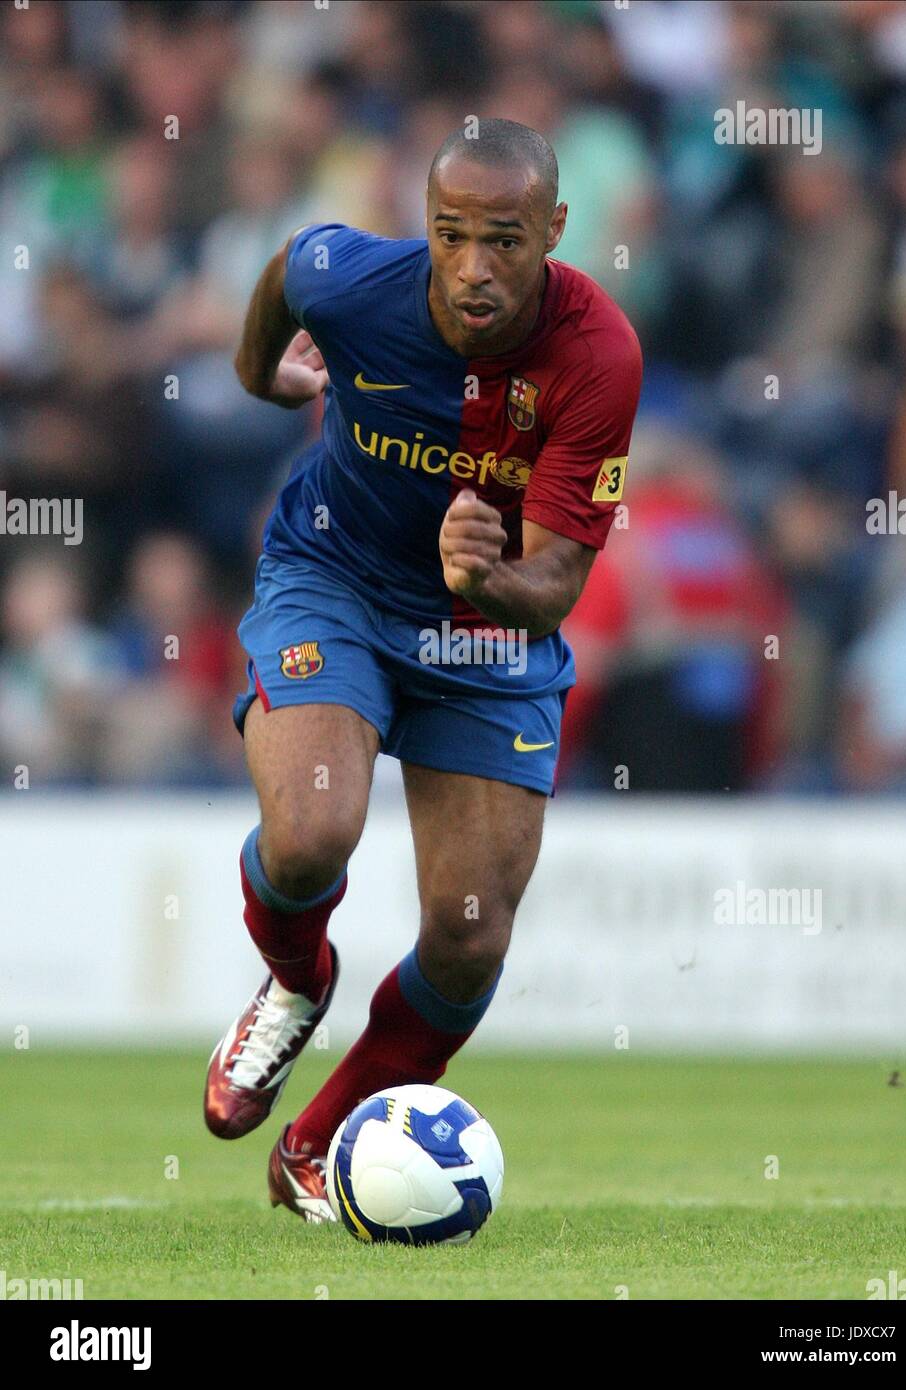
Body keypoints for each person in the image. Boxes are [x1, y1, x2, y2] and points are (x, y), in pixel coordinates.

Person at [204, 119, 642, 1225]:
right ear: (426, 225)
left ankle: (318, 1141)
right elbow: (287, 268)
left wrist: (491, 580)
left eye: (503, 240)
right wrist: (264, 375)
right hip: (335, 578)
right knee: (310, 835)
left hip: (488, 634)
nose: (473, 267)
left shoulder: (598, 356)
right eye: (451, 235)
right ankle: (299, 974)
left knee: (468, 930)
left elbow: (555, 587)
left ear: (553, 230)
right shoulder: (353, 283)